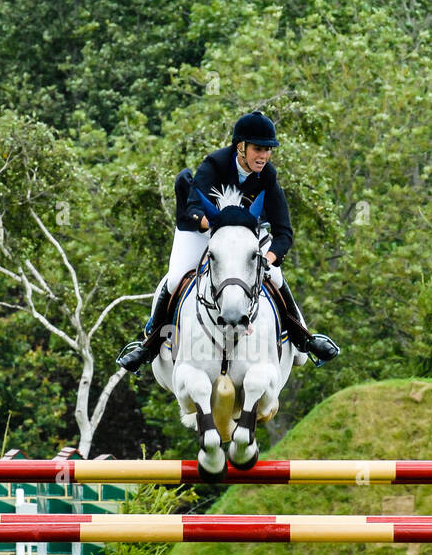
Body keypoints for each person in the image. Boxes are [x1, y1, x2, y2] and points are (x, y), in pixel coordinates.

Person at [115, 110, 340, 372]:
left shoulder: (268, 175)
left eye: (268, 150)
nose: (264, 156)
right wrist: (217, 227)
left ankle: (303, 338)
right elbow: (193, 207)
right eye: (258, 149)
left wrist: (267, 260)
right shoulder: (215, 164)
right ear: (241, 147)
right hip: (202, 229)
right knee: (176, 278)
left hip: (247, 235)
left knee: (276, 278)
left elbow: (283, 231)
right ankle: (149, 346)